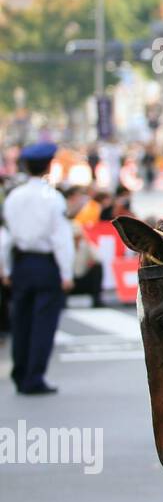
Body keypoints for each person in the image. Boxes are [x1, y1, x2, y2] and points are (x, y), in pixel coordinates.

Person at [0, 141, 74, 394]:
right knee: (43, 322)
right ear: (48, 166)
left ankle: (20, 373)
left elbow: (7, 236)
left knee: (20, 320)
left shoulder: (13, 197)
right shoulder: (52, 198)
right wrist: (66, 272)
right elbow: (61, 239)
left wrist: (7, 269)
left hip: (21, 263)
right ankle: (35, 376)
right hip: (46, 264)